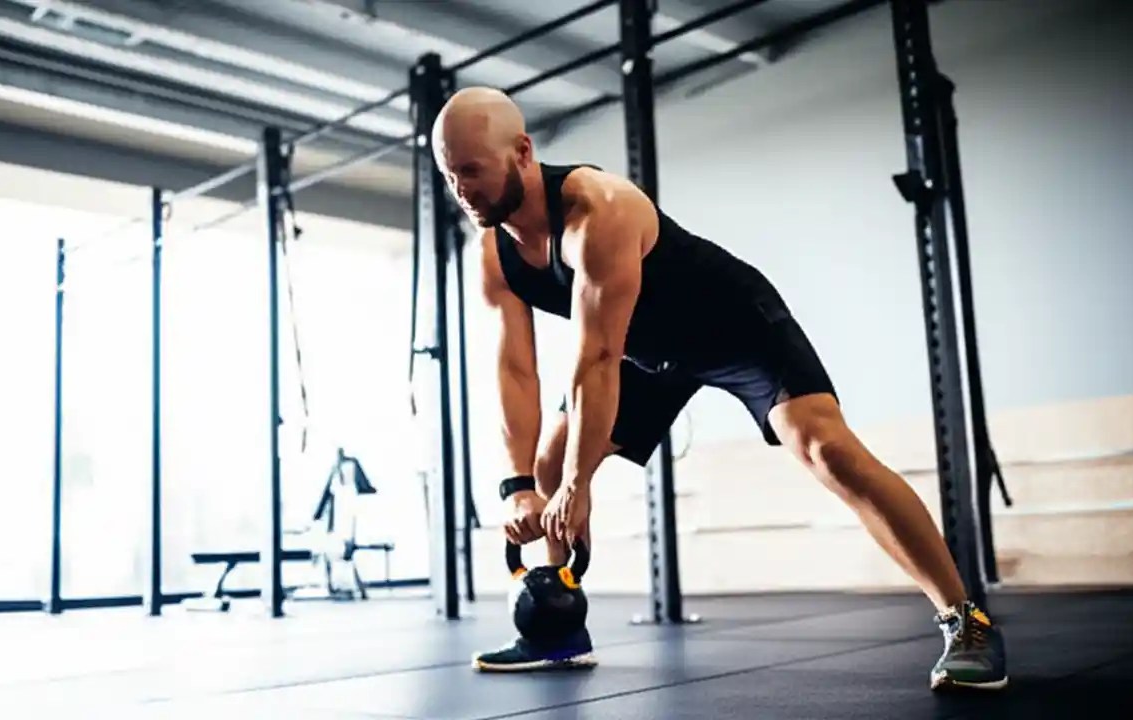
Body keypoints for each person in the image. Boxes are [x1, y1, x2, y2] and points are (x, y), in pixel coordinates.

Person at [431, 86, 1007, 691]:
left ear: (522, 151)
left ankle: (966, 620)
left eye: (471, 170)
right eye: (450, 176)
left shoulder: (599, 210)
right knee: (547, 462)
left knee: (826, 451)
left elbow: (594, 357)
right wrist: (520, 486)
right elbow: (515, 371)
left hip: (729, 326)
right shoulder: (493, 252)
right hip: (640, 349)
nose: (462, 191)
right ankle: (555, 629)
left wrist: (577, 486)